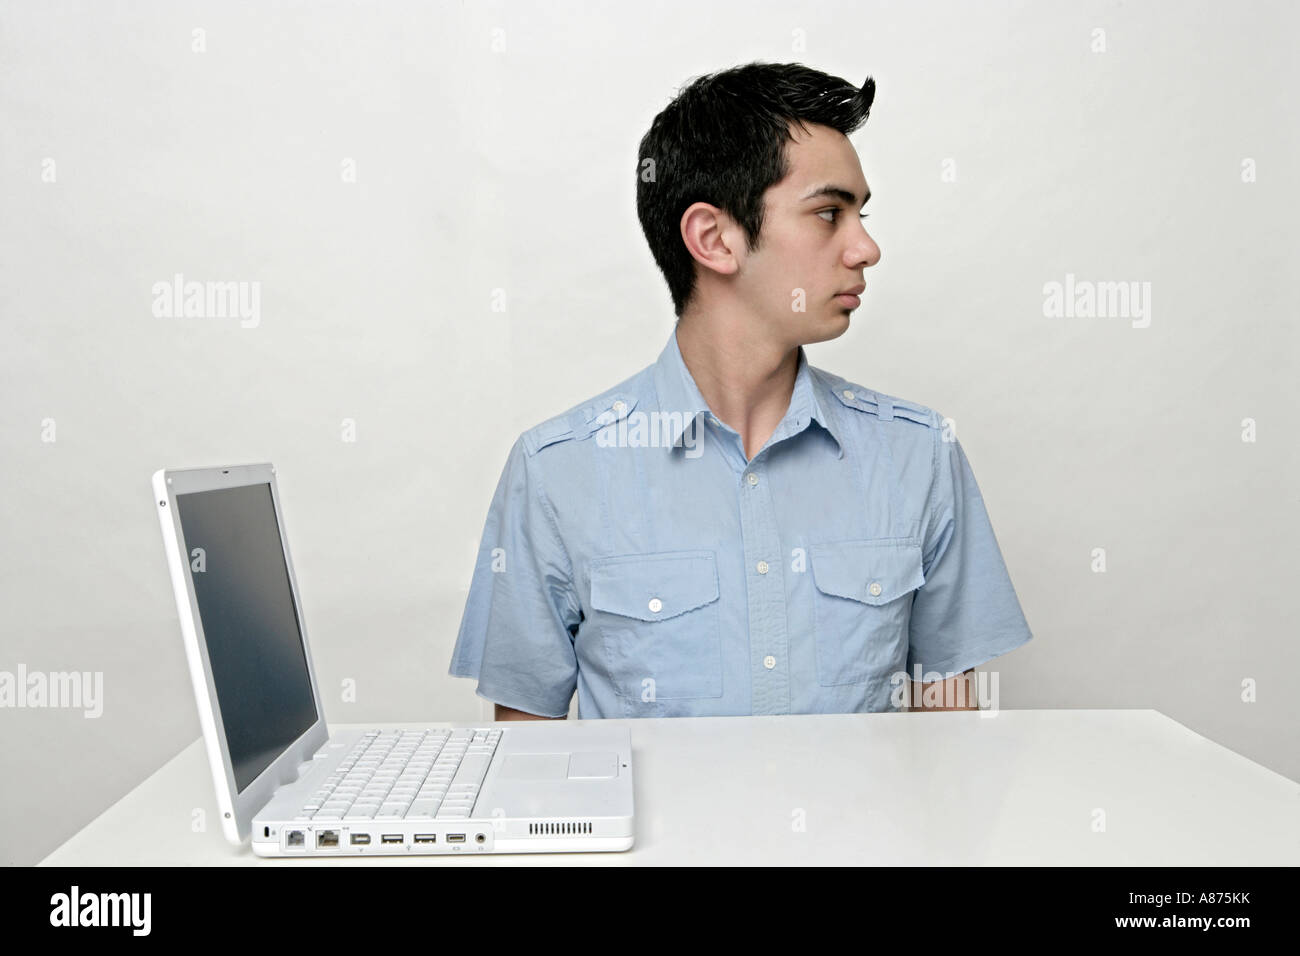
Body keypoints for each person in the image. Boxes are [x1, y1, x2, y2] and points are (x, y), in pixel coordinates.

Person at [449, 62, 1033, 720]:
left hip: (869, 828)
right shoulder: (556, 472)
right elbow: (529, 770)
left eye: (861, 215)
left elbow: (952, 757)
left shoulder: (920, 455)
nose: (866, 248)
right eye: (829, 213)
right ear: (713, 238)